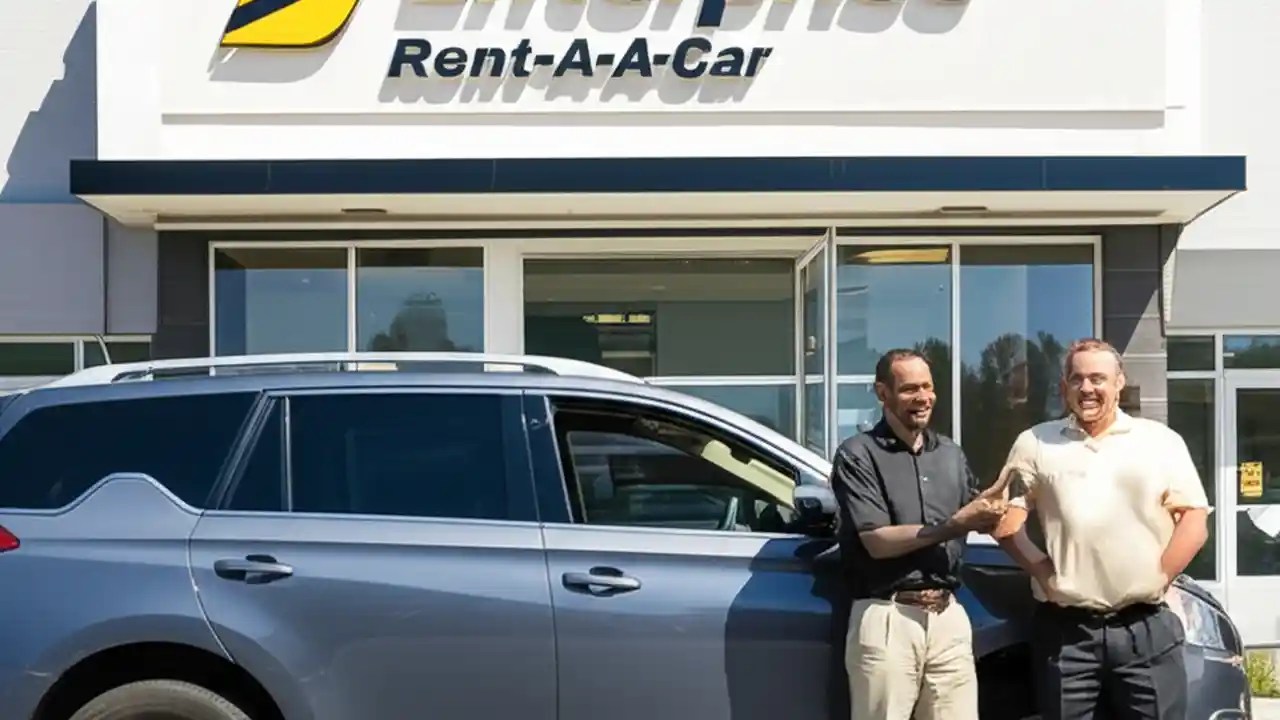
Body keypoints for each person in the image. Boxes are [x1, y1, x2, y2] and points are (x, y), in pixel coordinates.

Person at [991, 337, 1210, 720]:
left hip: (1146, 626)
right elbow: (1007, 524)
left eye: (1098, 378)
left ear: (1119, 382)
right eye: (1076, 379)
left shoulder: (1160, 442)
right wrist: (1044, 572)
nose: (1087, 388)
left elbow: (1194, 519)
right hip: (1067, 633)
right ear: (1064, 387)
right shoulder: (1035, 443)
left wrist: (1161, 576)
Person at [831, 348, 1007, 720]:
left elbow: (979, 515)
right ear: (883, 394)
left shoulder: (951, 455)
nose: (923, 397)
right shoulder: (857, 455)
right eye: (910, 389)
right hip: (888, 617)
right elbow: (876, 541)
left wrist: (1002, 508)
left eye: (928, 387)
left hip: (948, 618)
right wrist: (957, 524)